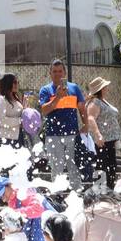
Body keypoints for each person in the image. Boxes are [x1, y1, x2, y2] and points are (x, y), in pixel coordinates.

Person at [38, 59, 87, 190]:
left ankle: (77, 192)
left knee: (74, 165)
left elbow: (82, 108)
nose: (58, 74)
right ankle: (58, 194)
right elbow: (44, 111)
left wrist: (86, 124)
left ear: (64, 72)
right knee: (56, 166)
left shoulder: (74, 88)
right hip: (53, 135)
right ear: (50, 73)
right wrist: (58, 97)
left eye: (60, 71)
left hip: (72, 133)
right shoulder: (45, 90)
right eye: (54, 71)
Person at [85, 76, 121, 190]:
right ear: (101, 89)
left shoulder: (102, 101)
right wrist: (98, 135)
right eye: (105, 87)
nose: (107, 89)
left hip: (110, 140)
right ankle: (99, 191)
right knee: (102, 166)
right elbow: (91, 118)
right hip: (102, 141)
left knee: (111, 166)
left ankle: (108, 190)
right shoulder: (95, 102)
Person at [0, 74, 27, 146]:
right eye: (14, 82)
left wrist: (25, 111)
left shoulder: (16, 98)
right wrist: (20, 121)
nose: (17, 84)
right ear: (7, 83)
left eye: (18, 82)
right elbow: (1, 120)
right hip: (5, 139)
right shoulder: (1, 99)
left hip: (18, 137)